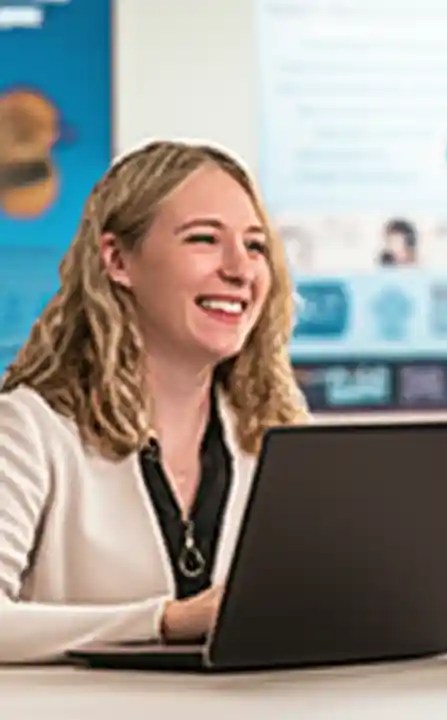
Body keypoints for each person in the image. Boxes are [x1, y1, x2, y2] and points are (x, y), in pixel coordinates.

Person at [0, 140, 309, 663]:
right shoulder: (29, 430)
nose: (240, 269)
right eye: (204, 239)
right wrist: (165, 622)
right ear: (118, 260)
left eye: (255, 246)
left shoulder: (276, 436)